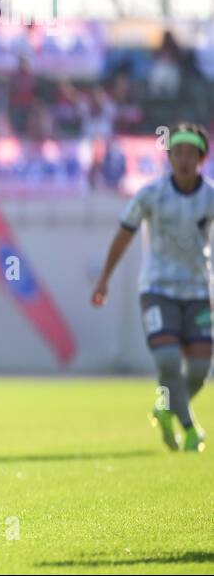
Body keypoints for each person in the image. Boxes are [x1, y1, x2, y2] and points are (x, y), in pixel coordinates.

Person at [91, 122, 212, 453]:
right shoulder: (150, 195)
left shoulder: (211, 196)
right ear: (169, 156)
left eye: (191, 153)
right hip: (158, 288)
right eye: (178, 152)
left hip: (199, 291)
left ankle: (165, 405)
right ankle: (189, 428)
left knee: (200, 369)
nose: (184, 159)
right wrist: (104, 279)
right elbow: (123, 235)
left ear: (201, 157)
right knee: (169, 361)